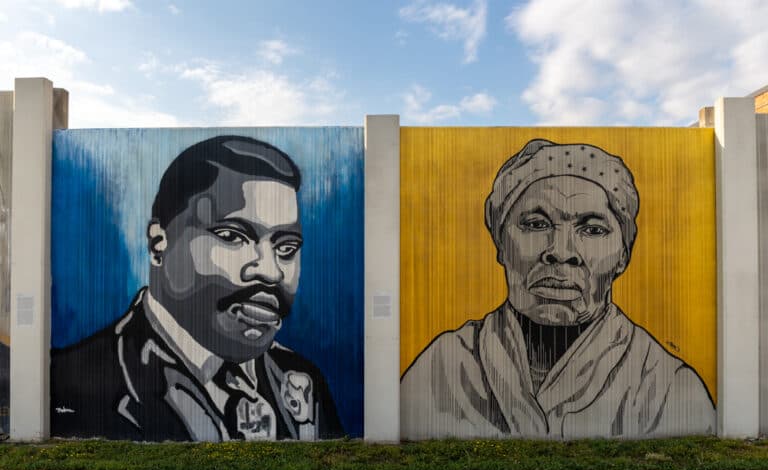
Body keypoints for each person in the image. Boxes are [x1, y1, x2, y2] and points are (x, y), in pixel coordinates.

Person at [401, 139, 715, 440]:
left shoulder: (664, 386)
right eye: (536, 224)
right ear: (500, 244)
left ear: (623, 256)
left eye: (593, 230)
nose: (561, 251)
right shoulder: (442, 366)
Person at [51, 136, 344, 441]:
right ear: (158, 243)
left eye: (286, 248)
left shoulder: (301, 378)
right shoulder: (70, 381)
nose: (270, 272)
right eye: (232, 236)